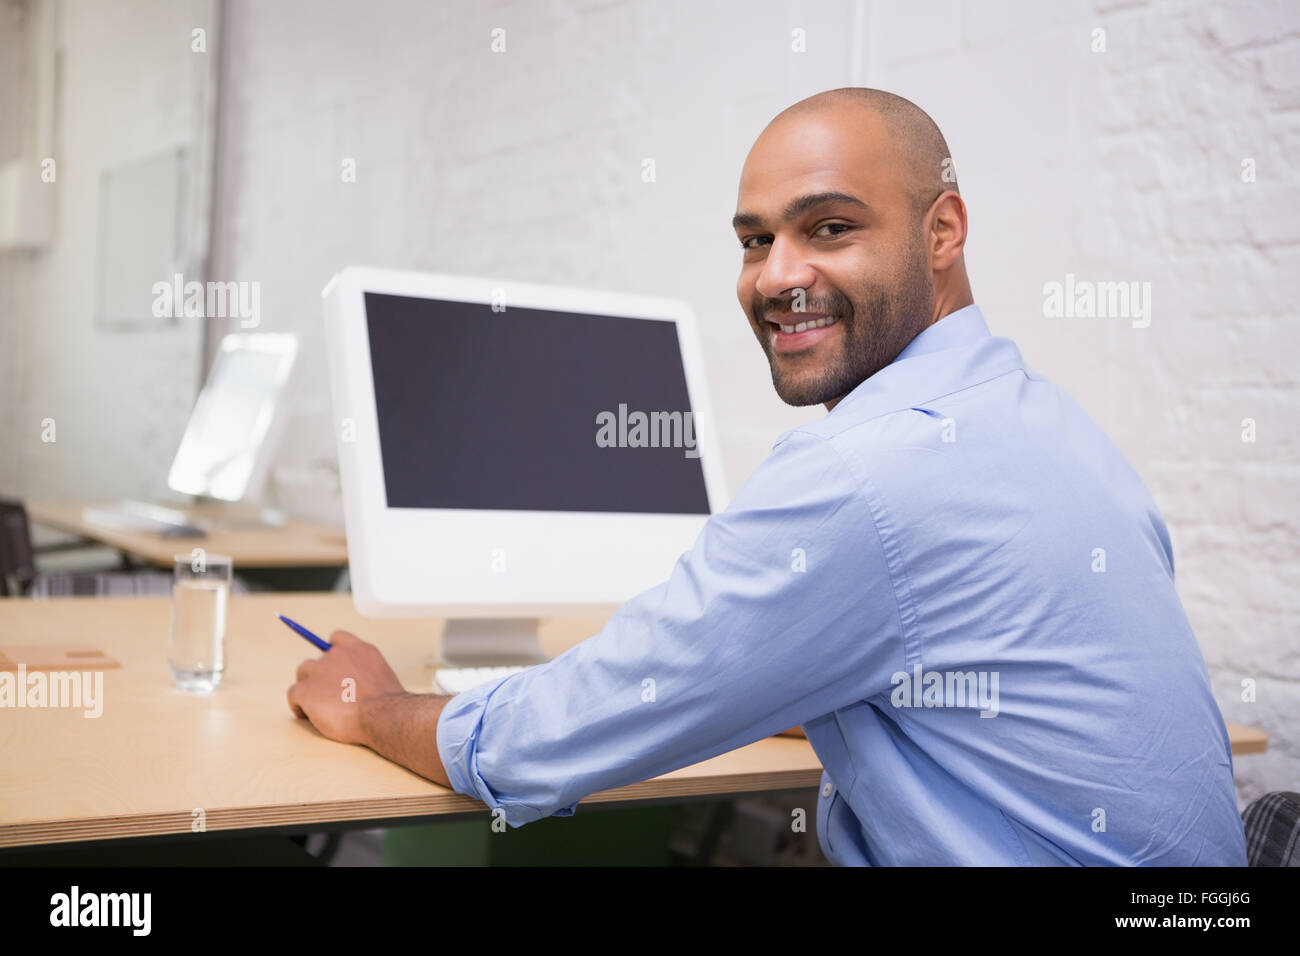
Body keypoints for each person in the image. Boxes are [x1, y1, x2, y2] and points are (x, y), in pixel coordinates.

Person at [287, 88, 1248, 865]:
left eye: (829, 228)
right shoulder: (1054, 424)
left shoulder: (862, 474)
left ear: (942, 230)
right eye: (755, 240)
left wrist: (370, 705)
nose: (775, 276)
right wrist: (805, 683)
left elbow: (535, 747)